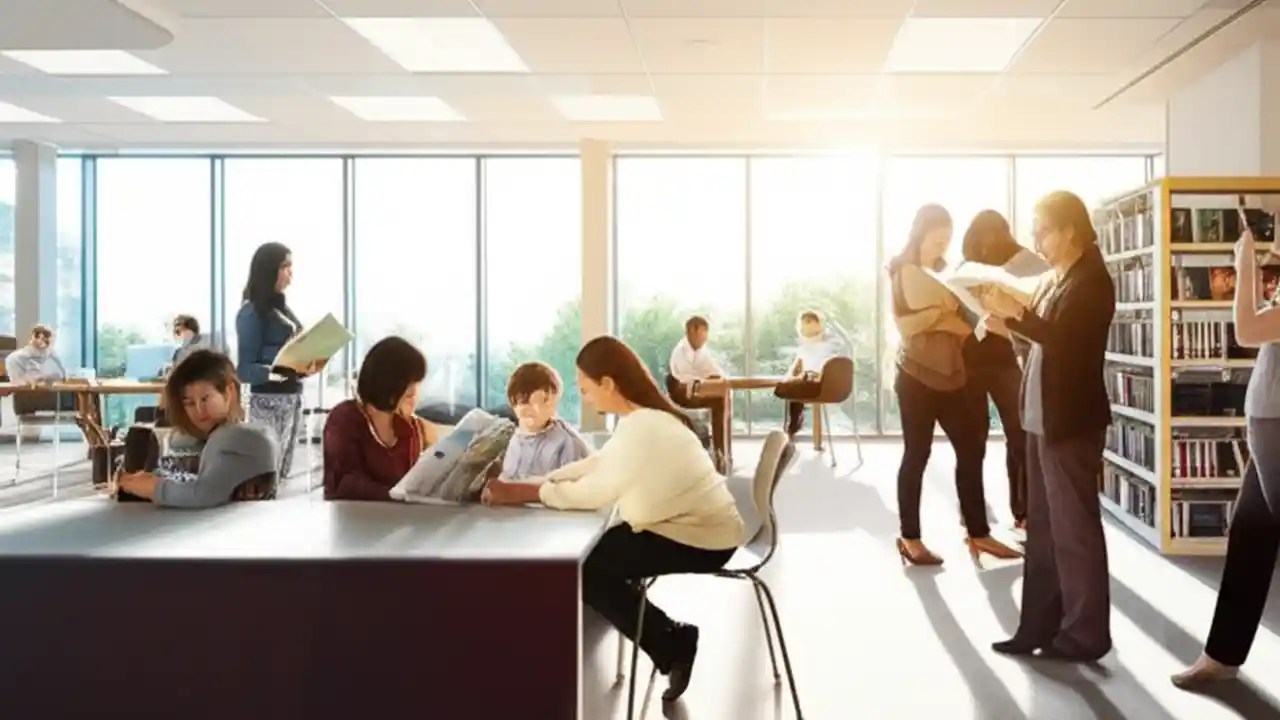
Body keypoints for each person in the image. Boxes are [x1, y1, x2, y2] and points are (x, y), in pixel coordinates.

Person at [481, 335, 745, 703]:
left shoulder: (644, 426)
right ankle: (670, 638)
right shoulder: (644, 420)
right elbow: (599, 464)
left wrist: (526, 492)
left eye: (586, 389)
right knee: (598, 560)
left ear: (608, 383)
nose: (585, 397)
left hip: (703, 539)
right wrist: (536, 483)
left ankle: (672, 642)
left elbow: (594, 491)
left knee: (587, 567)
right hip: (692, 527)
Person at [983, 190, 1116, 662]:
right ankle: (1037, 627)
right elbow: (1037, 340)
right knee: (1042, 529)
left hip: (1070, 422)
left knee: (1074, 531)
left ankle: (1086, 634)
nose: (1036, 239)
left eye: (1043, 230)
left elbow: (1067, 344)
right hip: (1040, 418)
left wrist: (1018, 315)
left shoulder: (1092, 281)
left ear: (1069, 230)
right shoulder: (1054, 277)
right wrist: (1006, 322)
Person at [1172, 219, 1280, 688]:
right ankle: (1221, 657)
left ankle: (1220, 658)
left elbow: (1248, 329)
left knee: (1256, 540)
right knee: (1249, 542)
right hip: (1268, 426)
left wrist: (1244, 263)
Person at [889, 204, 1021, 566]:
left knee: (971, 450)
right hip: (916, 376)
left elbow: (967, 319)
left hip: (953, 376)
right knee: (917, 455)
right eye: (936, 240)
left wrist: (943, 316)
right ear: (920, 234)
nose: (941, 247)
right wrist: (943, 314)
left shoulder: (948, 273)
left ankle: (978, 534)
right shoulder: (903, 270)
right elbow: (907, 326)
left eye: (946, 240)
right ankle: (910, 537)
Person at [960, 210, 1042, 529]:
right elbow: (959, 306)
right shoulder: (968, 267)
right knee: (972, 439)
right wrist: (977, 316)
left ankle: (1023, 510)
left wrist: (1006, 321)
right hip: (971, 358)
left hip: (1009, 357)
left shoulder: (1025, 265)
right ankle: (972, 513)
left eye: (988, 241)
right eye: (978, 244)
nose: (983, 249)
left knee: (1019, 435)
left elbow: (1036, 312)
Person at [117, 350, 279, 508]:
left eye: (205, 399)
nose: (200, 411)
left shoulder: (231, 436)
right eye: (190, 403)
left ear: (229, 392)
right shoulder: (244, 433)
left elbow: (204, 494)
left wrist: (152, 488)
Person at [235, 242, 321, 480]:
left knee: (282, 472)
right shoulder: (251, 312)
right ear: (269, 269)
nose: (290, 273)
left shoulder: (283, 309)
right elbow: (244, 369)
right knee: (266, 472)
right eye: (285, 266)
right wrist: (277, 371)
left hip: (292, 397)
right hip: (268, 401)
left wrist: (306, 365)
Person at [323, 336, 437, 501]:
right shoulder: (345, 418)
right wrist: (402, 497)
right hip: (354, 520)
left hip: (399, 520)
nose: (414, 393)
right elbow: (347, 485)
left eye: (415, 385)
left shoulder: (411, 428)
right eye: (408, 387)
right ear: (388, 383)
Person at [499, 361, 591, 481]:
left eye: (541, 401)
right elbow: (508, 477)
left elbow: (572, 488)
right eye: (523, 402)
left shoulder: (567, 442)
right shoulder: (517, 438)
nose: (531, 409)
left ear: (553, 402)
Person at [666, 315, 729, 470]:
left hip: (695, 389)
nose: (705, 336)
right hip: (681, 393)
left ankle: (722, 449)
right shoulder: (680, 351)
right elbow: (686, 376)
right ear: (691, 332)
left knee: (723, 398)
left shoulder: (701, 351)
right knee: (719, 401)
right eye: (703, 332)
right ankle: (720, 449)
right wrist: (706, 378)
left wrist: (719, 377)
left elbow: (711, 369)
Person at [774, 310, 838, 438]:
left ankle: (793, 426)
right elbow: (795, 369)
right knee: (788, 388)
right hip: (811, 381)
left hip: (823, 384)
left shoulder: (830, 345)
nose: (807, 327)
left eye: (810, 322)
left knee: (788, 389)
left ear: (818, 324)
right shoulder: (804, 349)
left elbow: (828, 367)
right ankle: (793, 425)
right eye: (805, 323)